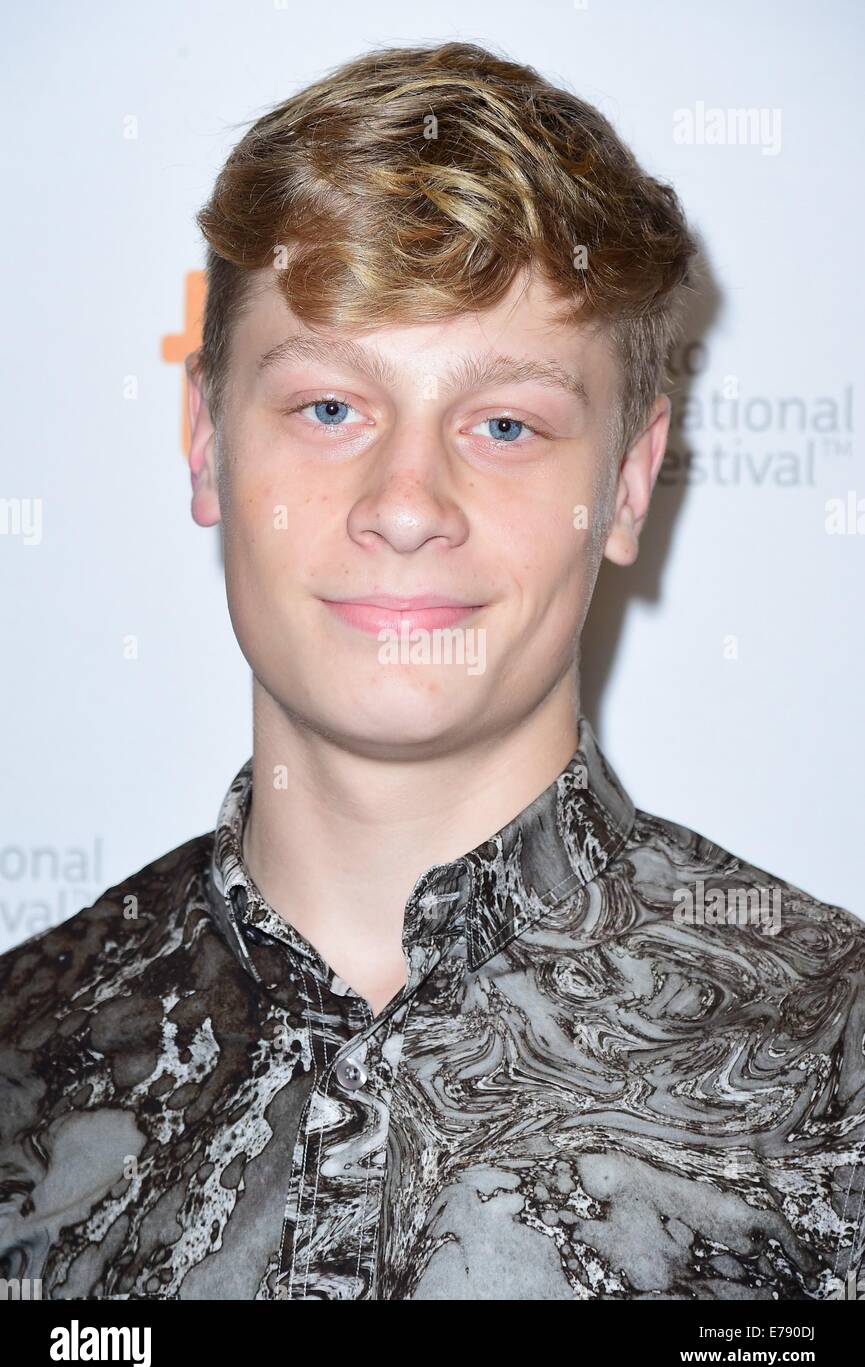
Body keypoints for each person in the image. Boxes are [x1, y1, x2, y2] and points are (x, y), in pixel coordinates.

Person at [1, 41, 862, 1302]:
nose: (406, 506)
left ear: (626, 482)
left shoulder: (834, 1058)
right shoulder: (20, 1063)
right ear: (204, 443)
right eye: (330, 409)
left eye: (504, 424)